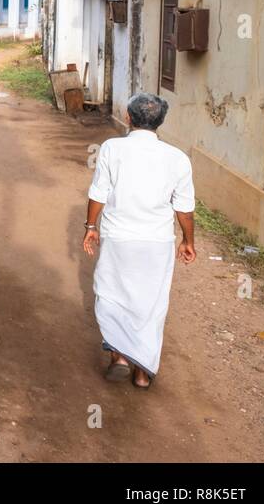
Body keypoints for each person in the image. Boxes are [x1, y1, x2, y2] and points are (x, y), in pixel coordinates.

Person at [82, 92, 196, 389]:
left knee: (111, 294)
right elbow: (184, 208)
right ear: (160, 122)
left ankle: (119, 357)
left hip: (119, 239)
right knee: (151, 303)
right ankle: (143, 372)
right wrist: (188, 241)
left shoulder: (111, 149)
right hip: (156, 243)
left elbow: (99, 193)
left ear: (129, 118)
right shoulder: (178, 159)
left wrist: (90, 226)